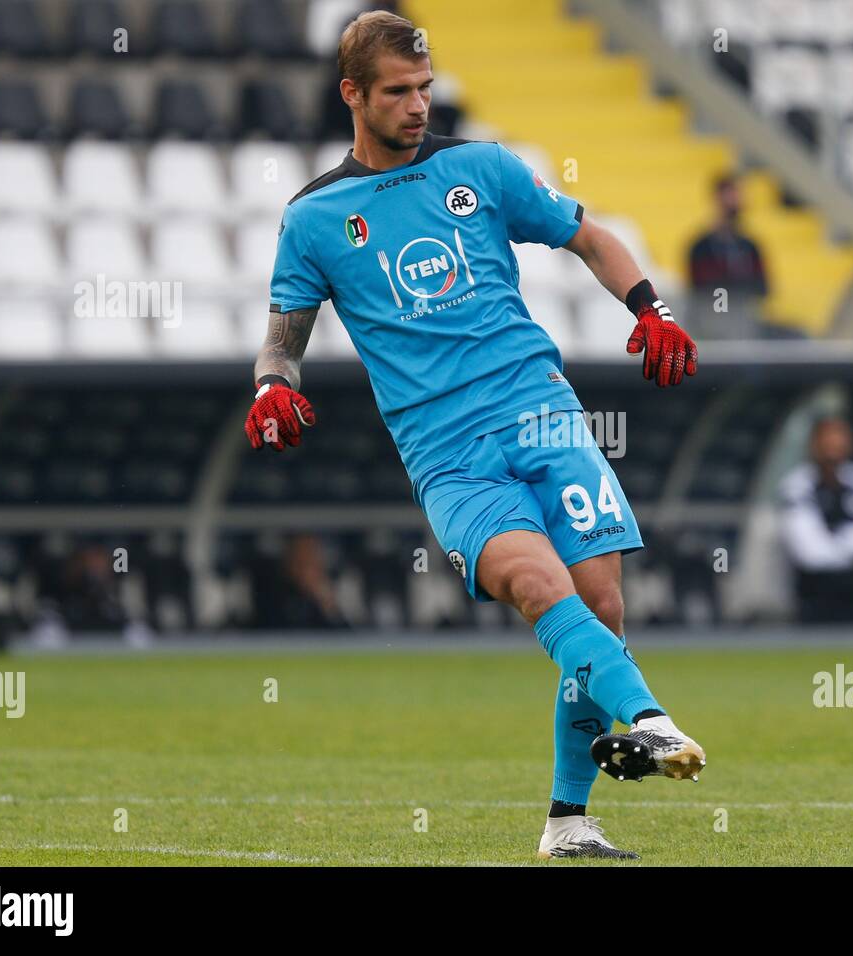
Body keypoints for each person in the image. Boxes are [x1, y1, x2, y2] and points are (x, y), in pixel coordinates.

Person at [242, 10, 704, 861]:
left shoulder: (481, 168)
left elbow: (589, 236)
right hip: (448, 454)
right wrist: (273, 384)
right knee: (537, 586)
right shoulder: (315, 217)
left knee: (600, 602)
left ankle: (568, 821)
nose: (417, 106)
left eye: (424, 89)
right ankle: (649, 719)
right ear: (352, 95)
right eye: (397, 93)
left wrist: (651, 309)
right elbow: (284, 337)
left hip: (542, 409)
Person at [779, 417, 853, 624]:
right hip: (812, 601)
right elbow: (809, 551)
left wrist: (836, 537)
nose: (833, 446)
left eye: (838, 438)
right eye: (826, 440)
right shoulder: (797, 485)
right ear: (814, 444)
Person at [686, 173, 768, 337]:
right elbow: (699, 288)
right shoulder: (701, 247)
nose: (736, 201)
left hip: (743, 320)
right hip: (710, 322)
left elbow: (763, 287)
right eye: (731, 195)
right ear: (717, 199)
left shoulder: (750, 247)